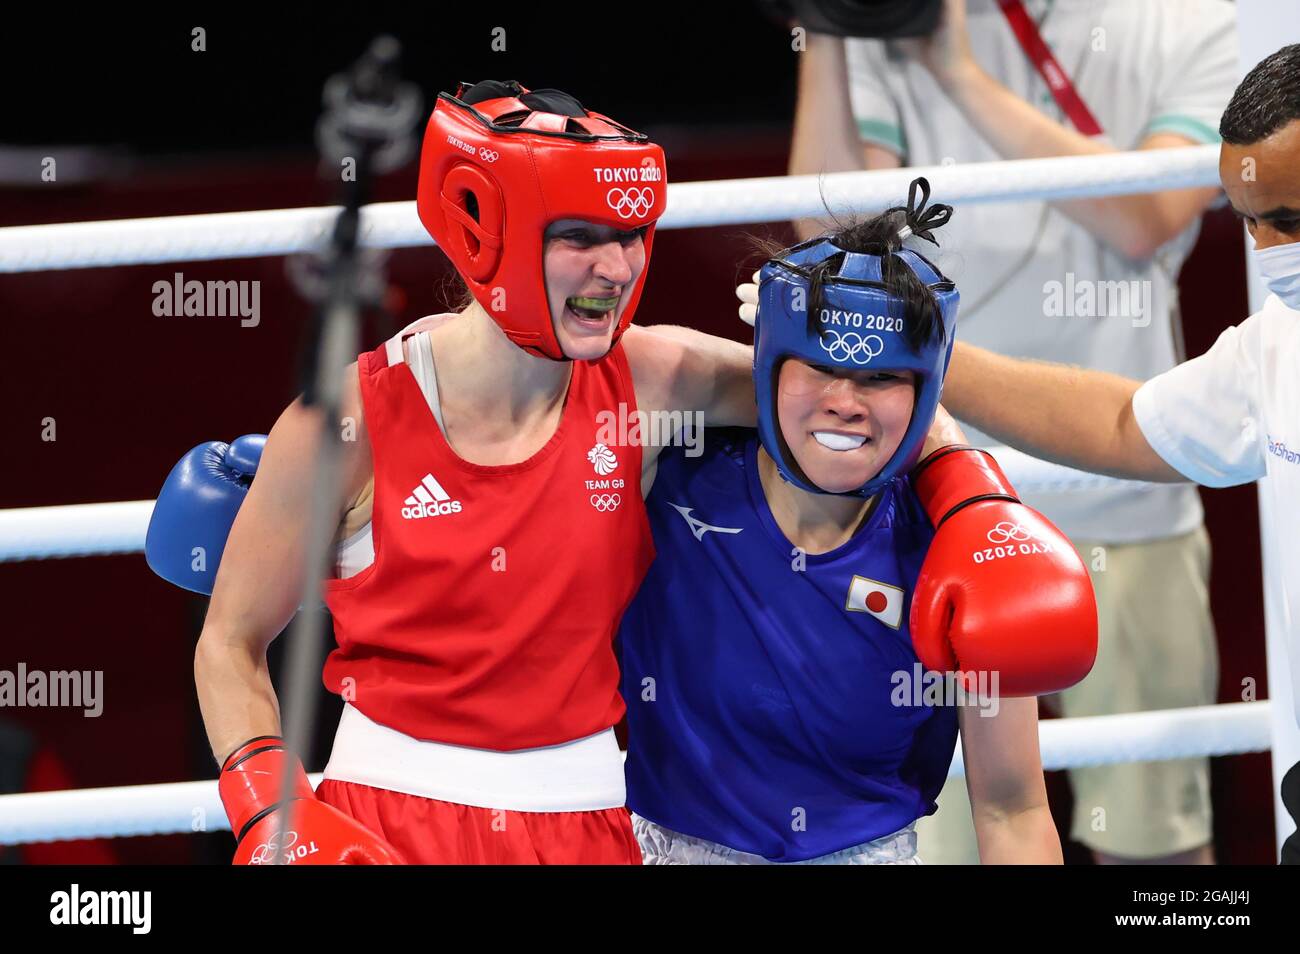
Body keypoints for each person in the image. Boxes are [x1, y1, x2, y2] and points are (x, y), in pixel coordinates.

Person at [152, 80, 756, 864]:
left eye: (633, 233)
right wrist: (271, 809)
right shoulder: (348, 419)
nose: (616, 267)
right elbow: (228, 641)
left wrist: (967, 499)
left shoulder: (652, 377)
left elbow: (864, 398)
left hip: (592, 822)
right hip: (386, 820)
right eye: (580, 234)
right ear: (487, 230)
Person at [787, 0, 1238, 866]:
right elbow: (827, 232)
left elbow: (1144, 217)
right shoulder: (884, 22)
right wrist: (831, 22)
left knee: (1158, 849)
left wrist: (961, 72)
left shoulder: (1195, 22)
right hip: (937, 501)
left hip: (1127, 499)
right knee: (942, 845)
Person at [620, 181, 1097, 864]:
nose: (843, 401)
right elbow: (611, 360)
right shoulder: (673, 465)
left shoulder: (958, 546)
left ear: (925, 393)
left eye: (878, 378)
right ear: (768, 368)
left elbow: (1012, 809)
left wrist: (959, 474)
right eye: (818, 365)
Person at [929, 43, 1300, 865]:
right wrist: (930, 357)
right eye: (1251, 221)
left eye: (1294, 220)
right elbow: (1126, 425)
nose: (1270, 248)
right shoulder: (1277, 343)